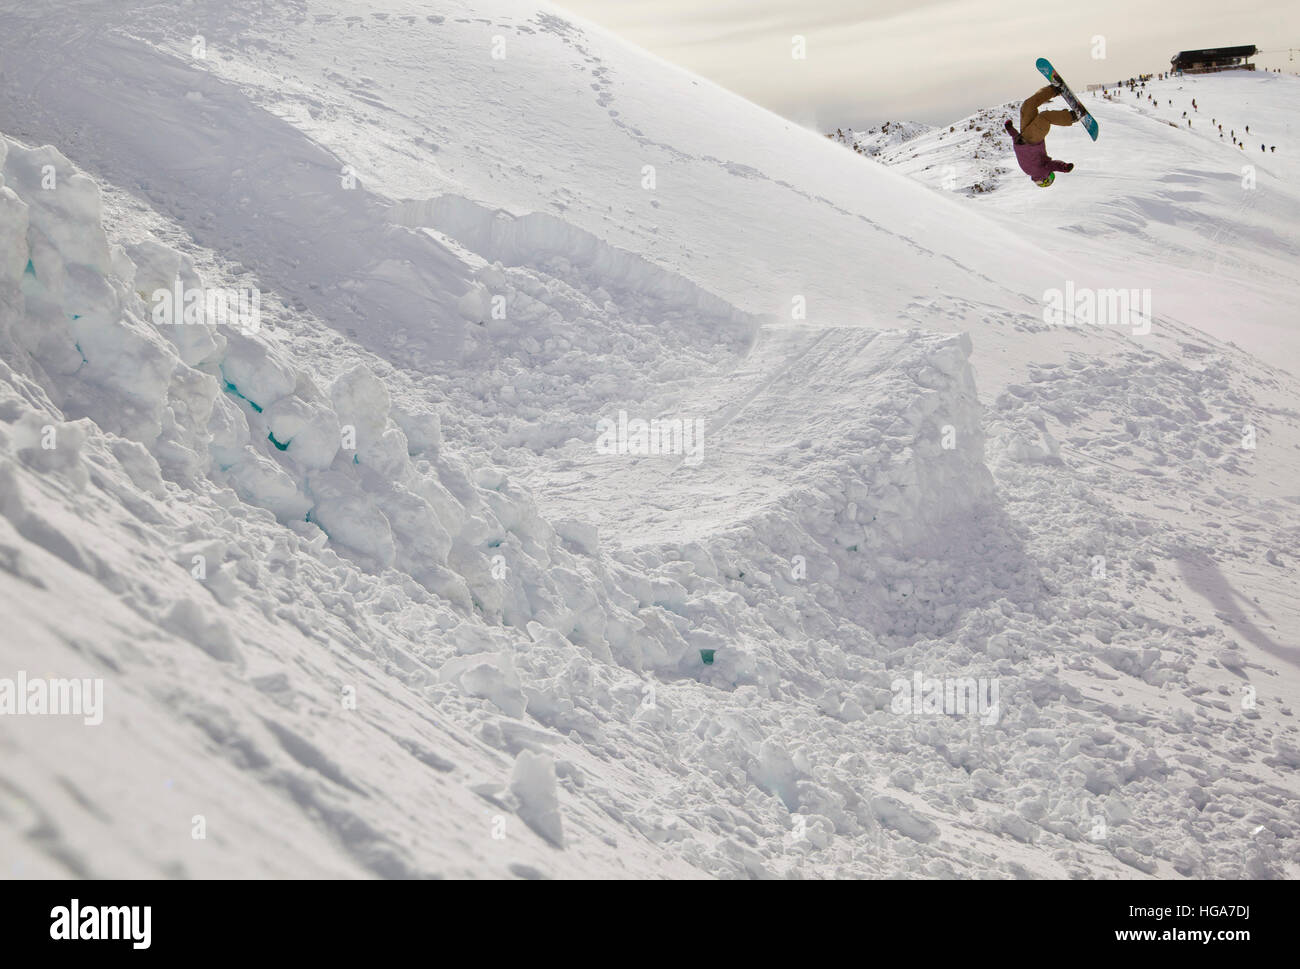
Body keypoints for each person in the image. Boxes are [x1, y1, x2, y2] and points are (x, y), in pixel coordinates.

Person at [1004, 84, 1077, 187]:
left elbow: (1051, 166)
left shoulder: (1036, 172)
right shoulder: (1039, 172)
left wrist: (1010, 130)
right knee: (1042, 116)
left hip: (1025, 136)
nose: (1050, 174)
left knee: (1028, 106)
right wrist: (1063, 167)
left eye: (1051, 176)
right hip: (1031, 139)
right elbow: (1051, 166)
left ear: (1046, 180)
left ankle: (1054, 90)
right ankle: (1070, 117)